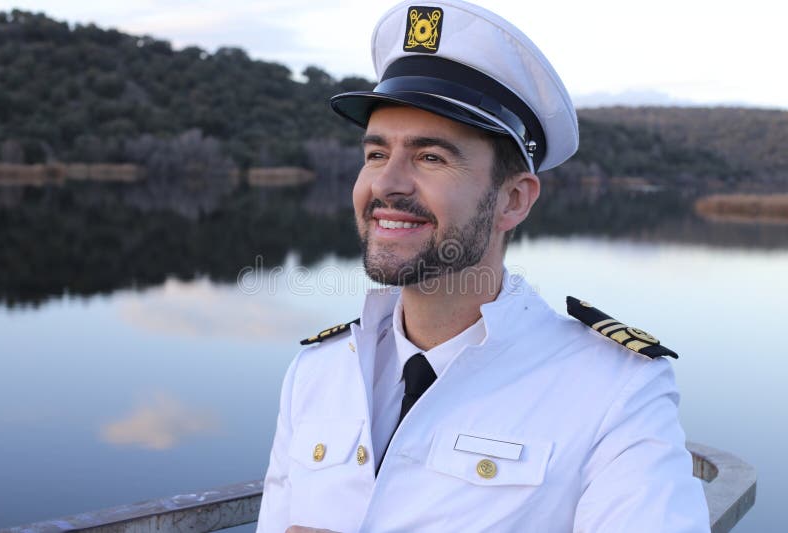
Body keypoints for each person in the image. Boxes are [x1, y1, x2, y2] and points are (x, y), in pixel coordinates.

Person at [256, 1, 710, 531]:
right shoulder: (316, 374)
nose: (386, 184)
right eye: (376, 154)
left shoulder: (616, 389)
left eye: (431, 157)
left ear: (513, 200)